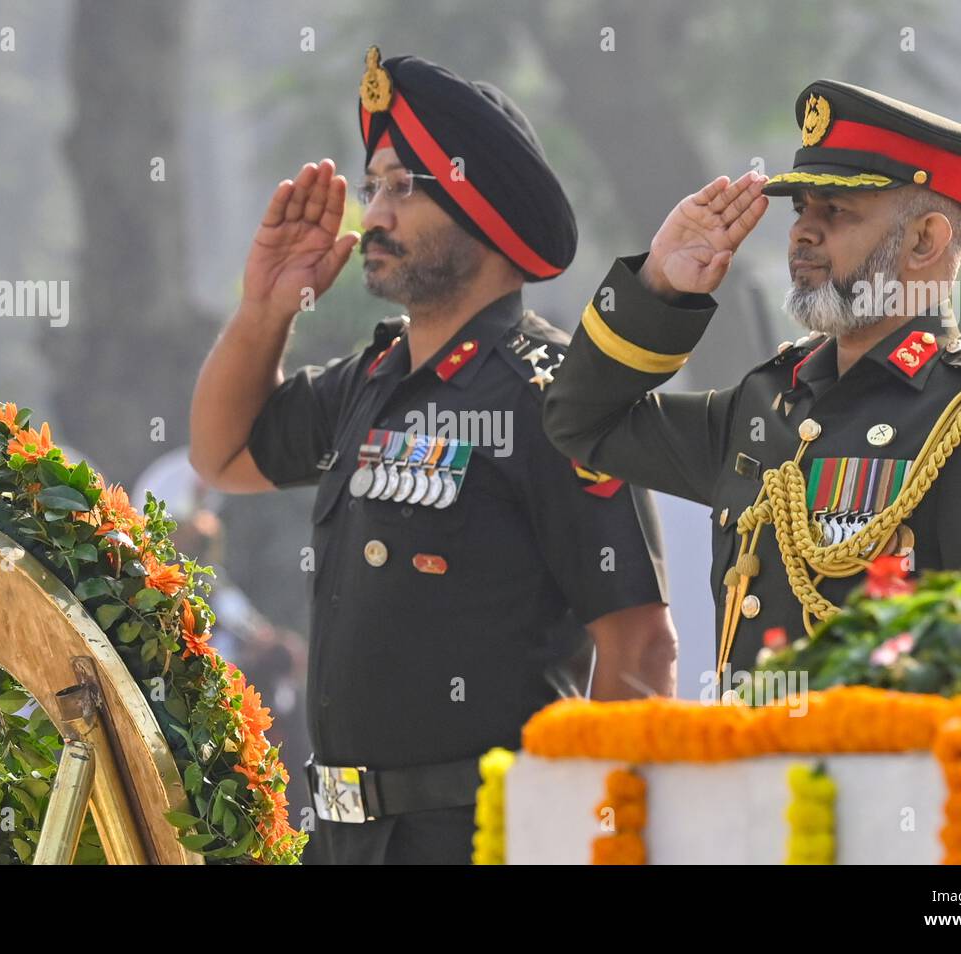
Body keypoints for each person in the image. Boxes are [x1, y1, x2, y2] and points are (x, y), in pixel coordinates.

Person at [189, 47, 675, 864]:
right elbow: (222, 454)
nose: (372, 213)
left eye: (403, 189)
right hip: (342, 837)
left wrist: (603, 842)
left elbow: (639, 645)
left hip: (484, 837)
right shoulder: (371, 381)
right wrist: (266, 308)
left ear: (483, 212)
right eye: (373, 186)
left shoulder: (556, 399)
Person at [544, 80, 961, 689]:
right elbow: (580, 423)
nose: (802, 232)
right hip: (749, 771)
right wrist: (657, 286)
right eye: (801, 210)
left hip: (889, 776)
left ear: (925, 240)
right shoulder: (765, 401)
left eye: (836, 211)